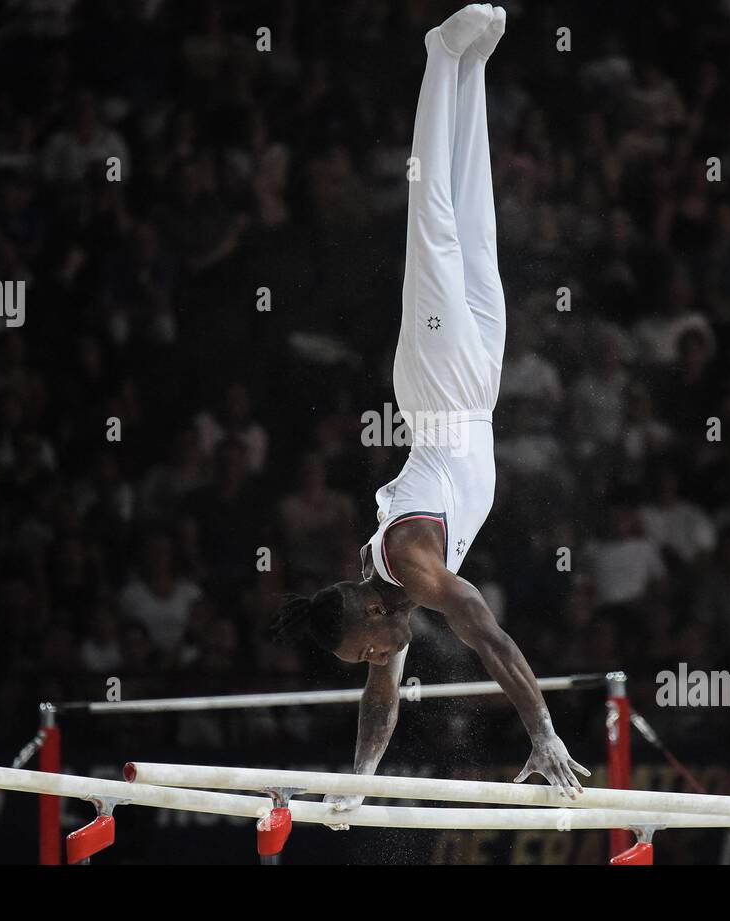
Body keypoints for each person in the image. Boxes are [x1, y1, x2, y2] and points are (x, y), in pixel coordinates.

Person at [268, 5, 589, 814]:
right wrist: (360, 784)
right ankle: (475, 64)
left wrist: (542, 731)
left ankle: (438, 54)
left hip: (439, 392)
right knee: (476, 222)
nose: (380, 659)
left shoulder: (409, 561)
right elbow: (381, 700)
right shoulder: (392, 606)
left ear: (373, 609)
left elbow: (482, 625)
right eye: (370, 655)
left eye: (369, 647)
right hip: (477, 392)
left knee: (434, 224)